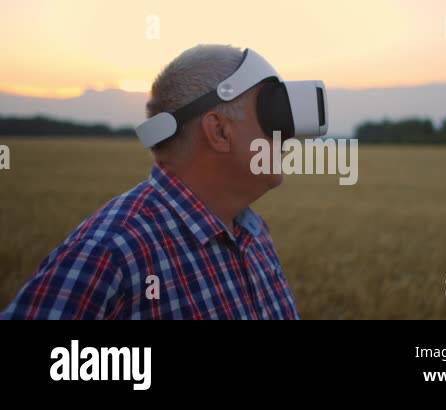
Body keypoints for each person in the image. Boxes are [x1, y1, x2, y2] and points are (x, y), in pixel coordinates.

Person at [1, 44, 299, 319]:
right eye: (272, 113)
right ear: (219, 131)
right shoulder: (111, 252)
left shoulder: (253, 233)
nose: (288, 134)